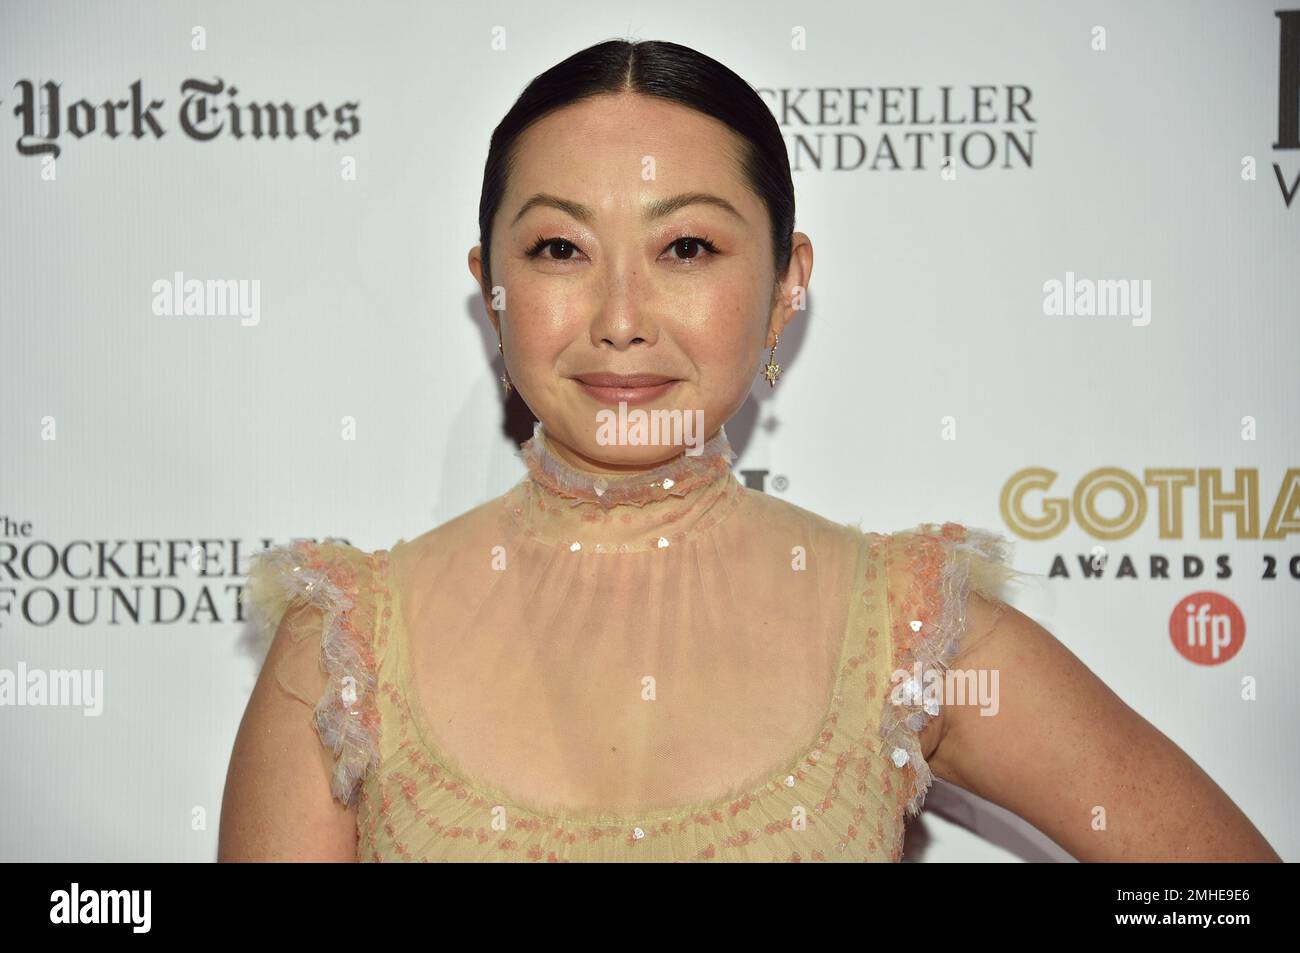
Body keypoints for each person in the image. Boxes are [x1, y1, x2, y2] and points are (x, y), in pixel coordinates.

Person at [217, 38, 1281, 863]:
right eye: (558, 248)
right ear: (489, 284)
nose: (621, 317)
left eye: (686, 247)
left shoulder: (906, 632)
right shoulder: (342, 654)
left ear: (784, 284)